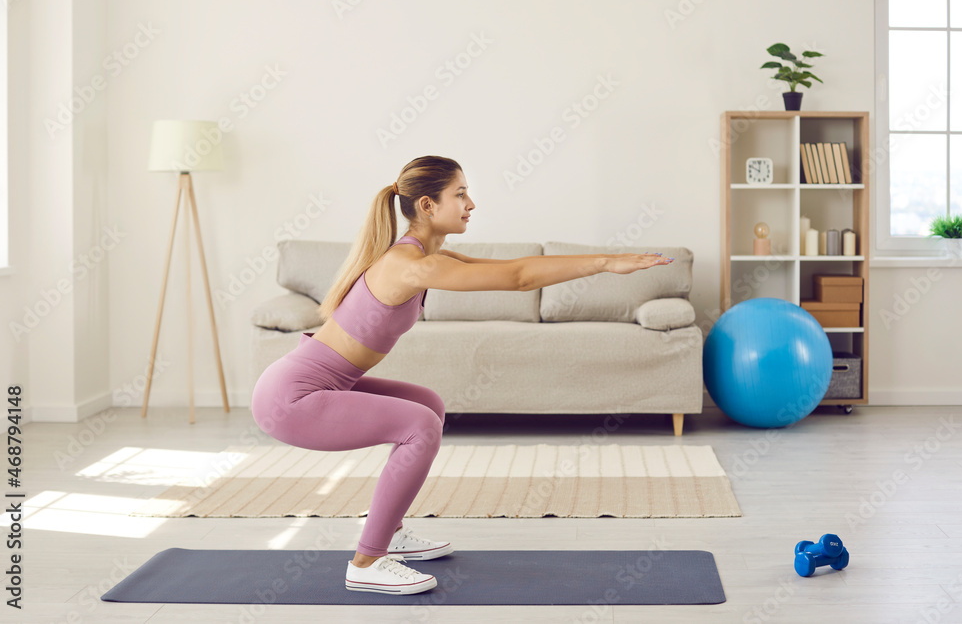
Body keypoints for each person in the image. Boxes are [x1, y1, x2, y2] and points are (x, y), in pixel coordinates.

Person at [250, 155, 673, 595]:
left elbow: (516, 269)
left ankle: (390, 535)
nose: (471, 204)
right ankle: (366, 561)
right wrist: (606, 263)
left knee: (427, 404)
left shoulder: (426, 254)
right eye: (461, 194)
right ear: (429, 205)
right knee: (420, 425)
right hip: (291, 397)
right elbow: (520, 279)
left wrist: (606, 259)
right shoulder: (413, 264)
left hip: (315, 382)